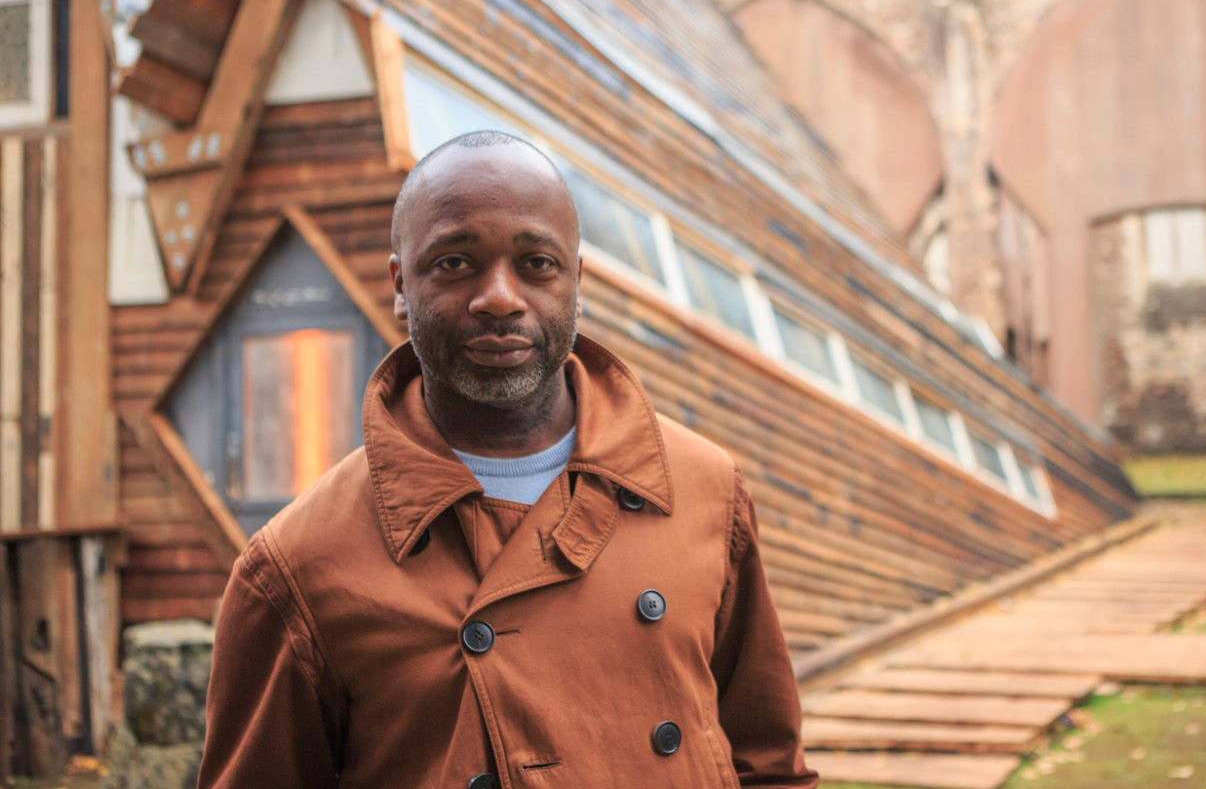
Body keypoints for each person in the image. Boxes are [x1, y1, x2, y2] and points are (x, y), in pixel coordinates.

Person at [197, 131, 817, 789]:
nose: (499, 296)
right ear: (401, 284)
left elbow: (769, 765)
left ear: (578, 279)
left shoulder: (705, 490)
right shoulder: (297, 566)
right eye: (456, 262)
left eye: (537, 263)